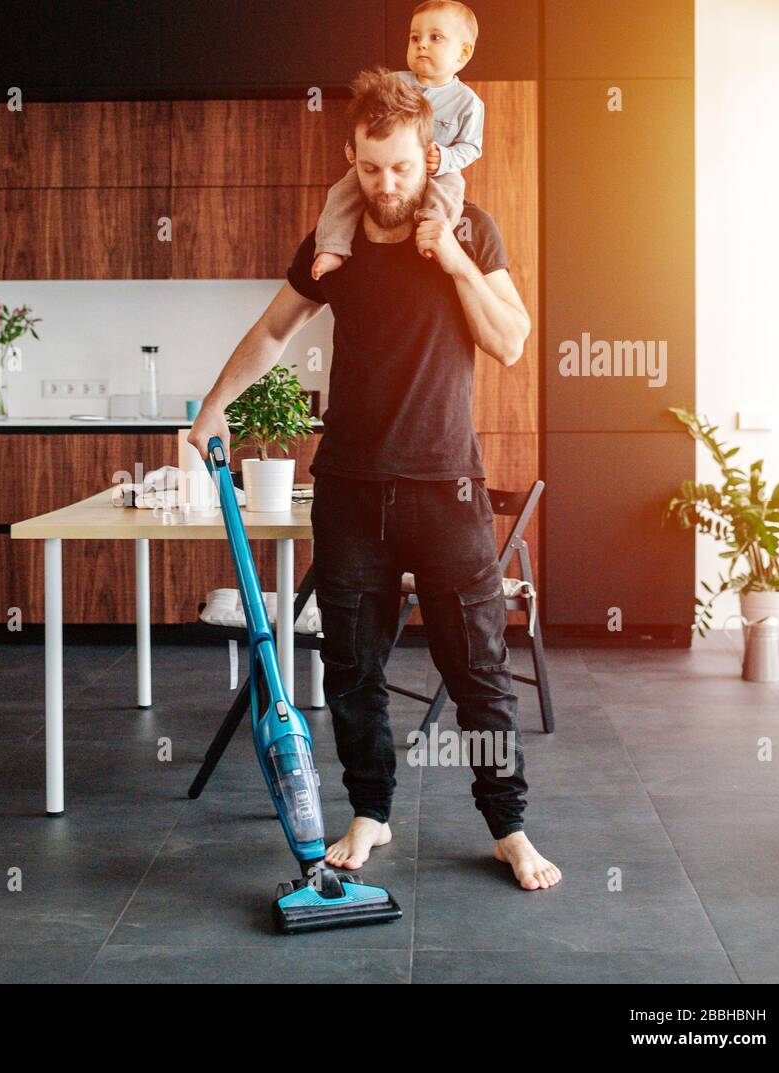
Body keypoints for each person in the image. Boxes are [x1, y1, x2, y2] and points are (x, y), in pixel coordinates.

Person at [187, 67, 561, 891]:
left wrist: (455, 261)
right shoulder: (336, 242)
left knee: (479, 672)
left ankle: (509, 827)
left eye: (400, 166)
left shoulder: (474, 229)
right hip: (352, 488)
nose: (386, 185)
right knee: (352, 665)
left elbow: (509, 342)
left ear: (430, 155)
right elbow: (272, 332)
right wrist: (215, 407)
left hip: (446, 489)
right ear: (350, 156)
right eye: (368, 168)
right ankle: (370, 810)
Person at [312, 0, 484, 281]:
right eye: (415, 38)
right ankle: (332, 246)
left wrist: (446, 158)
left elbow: (472, 147)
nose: (422, 45)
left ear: (463, 53)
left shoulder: (469, 103)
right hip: (387, 163)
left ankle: (431, 233)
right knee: (342, 191)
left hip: (435, 170)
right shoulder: (392, 83)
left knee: (451, 189)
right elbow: (363, 119)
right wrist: (356, 148)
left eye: (435, 37)